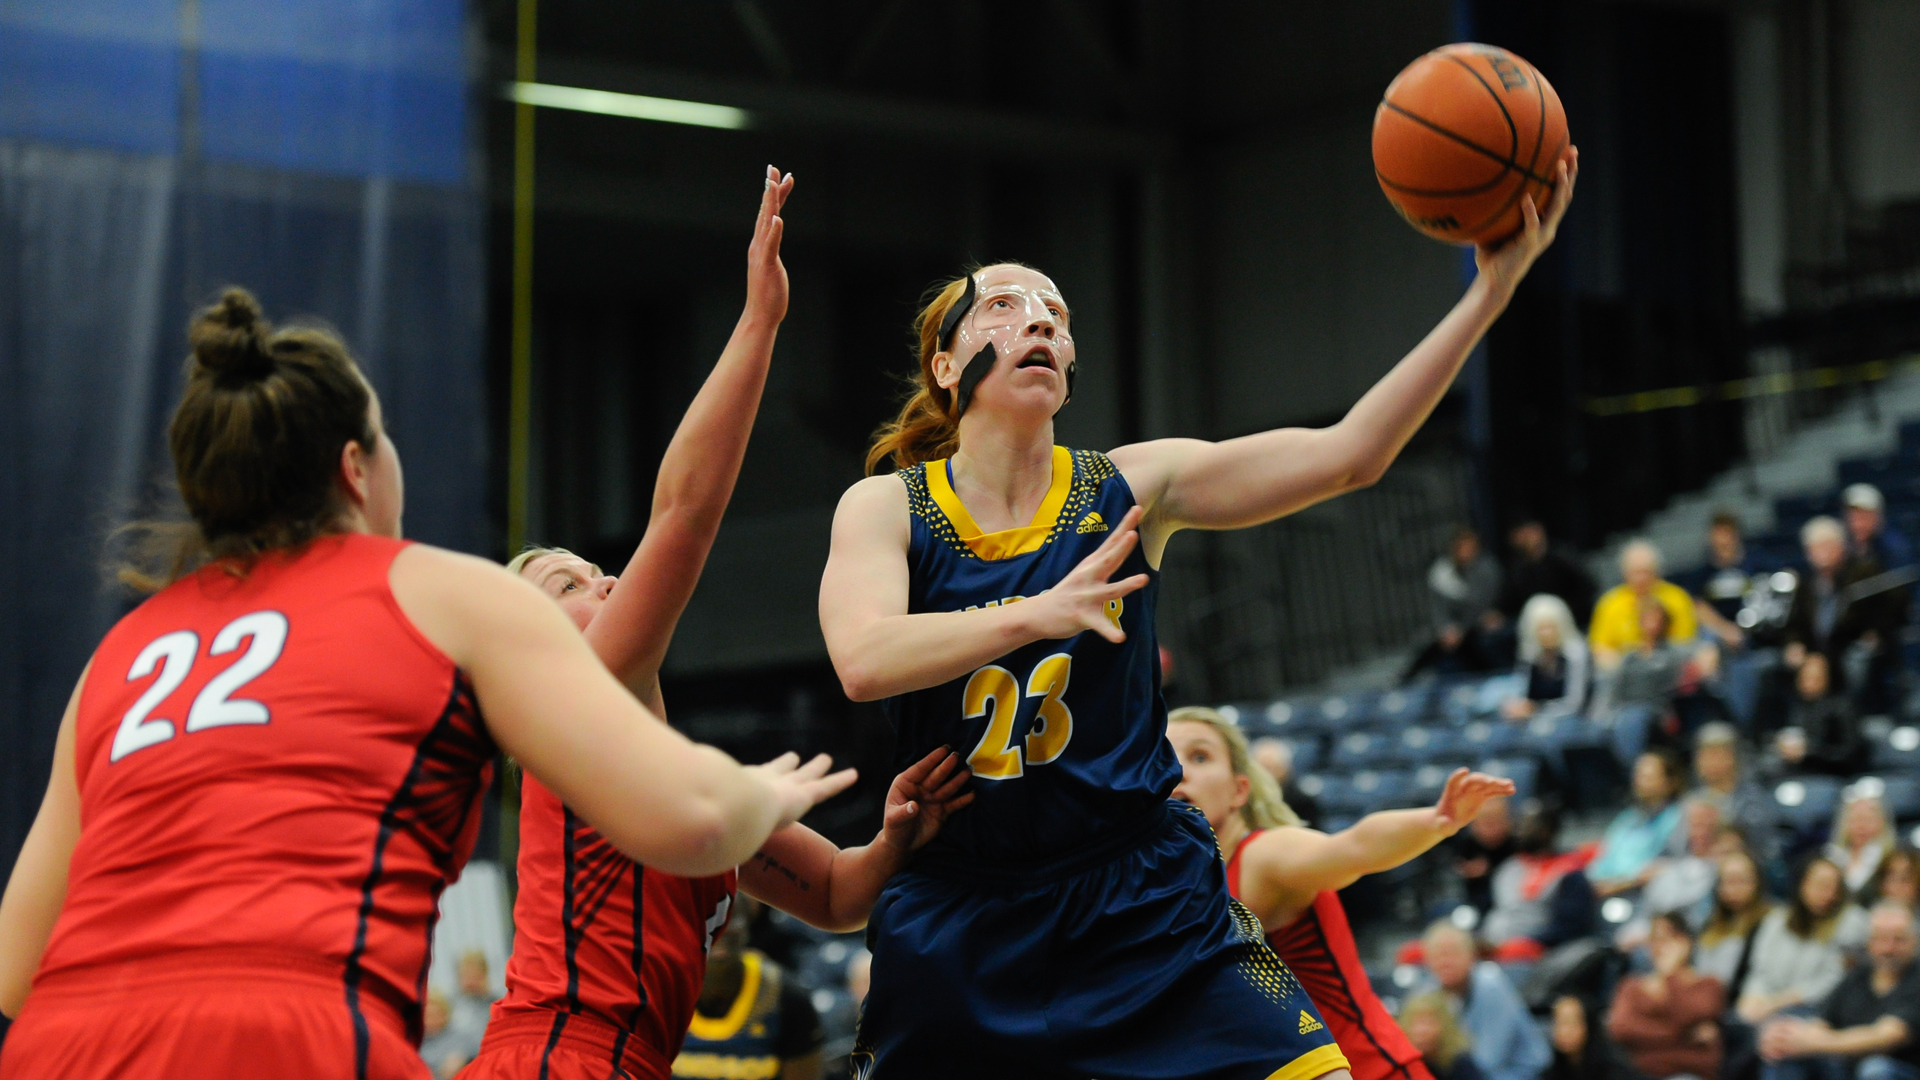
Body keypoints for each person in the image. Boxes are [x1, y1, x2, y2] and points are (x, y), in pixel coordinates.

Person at [815, 147, 1577, 1079]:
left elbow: (1351, 455)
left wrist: (1488, 292)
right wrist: (1036, 613)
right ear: (945, 363)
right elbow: (863, 659)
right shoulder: (888, 506)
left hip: (1141, 893)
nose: (1040, 322)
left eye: (1056, 312)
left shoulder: (1134, 484)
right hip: (961, 908)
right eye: (1006, 306)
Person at [0, 287, 856, 1078]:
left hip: (65, 1046)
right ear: (357, 469)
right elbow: (696, 817)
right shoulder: (436, 589)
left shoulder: (125, 651)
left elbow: (16, 964)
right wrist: (757, 796)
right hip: (296, 1029)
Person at [465, 169, 975, 1080]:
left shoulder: (698, 791)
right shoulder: (579, 705)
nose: (606, 576)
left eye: (594, 566)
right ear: (536, 646)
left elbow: (833, 891)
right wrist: (758, 324)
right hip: (557, 1058)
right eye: (569, 584)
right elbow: (685, 513)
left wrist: (895, 836)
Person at [1167, 707, 1513, 1080]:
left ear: (1239, 790)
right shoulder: (1176, 885)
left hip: (1370, 1071)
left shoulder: (1261, 857)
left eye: (1200, 756)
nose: (1179, 771)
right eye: (1164, 758)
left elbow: (1352, 848)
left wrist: (1434, 821)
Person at [1760, 902, 1920, 1080]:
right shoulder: (1858, 975)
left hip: (1900, 1069)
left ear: (1915, 941)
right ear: (1868, 942)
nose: (1888, 949)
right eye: (1880, 938)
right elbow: (1822, 1021)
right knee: (1785, 1054)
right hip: (1844, 1067)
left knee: (1875, 1069)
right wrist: (1786, 1038)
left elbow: (1887, 1036)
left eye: (1898, 939)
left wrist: (1812, 1043)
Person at [671, 899, 824, 1080]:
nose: (719, 929)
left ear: (750, 920)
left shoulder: (788, 996)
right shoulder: (660, 990)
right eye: (706, 919)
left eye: (730, 917)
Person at [1738, 858, 1871, 1025]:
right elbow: (1759, 971)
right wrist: (1751, 998)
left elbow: (1835, 979)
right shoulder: (1776, 920)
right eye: (1821, 885)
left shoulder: (1851, 922)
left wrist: (1776, 1003)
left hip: (1815, 1011)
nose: (1828, 893)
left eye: (1834, 887)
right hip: (1767, 1003)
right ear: (1802, 884)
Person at [1422, 921, 1554, 1080]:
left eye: (1452, 953)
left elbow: (1489, 1060)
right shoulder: (1428, 992)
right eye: (1438, 955)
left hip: (1519, 1073)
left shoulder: (1490, 983)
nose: (1445, 962)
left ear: (1471, 956)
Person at [1607, 912, 1726, 1079]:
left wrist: (1669, 976)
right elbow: (1621, 1029)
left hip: (1688, 1073)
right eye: (1655, 939)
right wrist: (1682, 1036)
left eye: (1669, 938)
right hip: (1637, 1073)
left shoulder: (1708, 985)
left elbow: (1686, 1015)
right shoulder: (1631, 986)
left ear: (1686, 942)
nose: (1661, 946)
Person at [1479, 800, 1599, 961]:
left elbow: (1569, 929)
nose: (1519, 830)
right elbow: (1486, 909)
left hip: (1538, 955)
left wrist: (1533, 943)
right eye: (1519, 823)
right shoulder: (1508, 867)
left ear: (1548, 830)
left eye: (1529, 824)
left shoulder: (1569, 872)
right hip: (1492, 947)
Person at [1590, 750, 1688, 896]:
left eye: (1649, 777)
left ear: (1670, 782)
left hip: (1648, 893)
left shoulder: (1679, 817)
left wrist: (1626, 883)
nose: (1641, 782)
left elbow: (1669, 864)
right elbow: (1603, 859)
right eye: (1639, 776)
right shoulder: (1626, 819)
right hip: (1607, 891)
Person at [1591, 540, 1701, 671]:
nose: (1641, 578)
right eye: (1636, 572)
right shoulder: (1610, 603)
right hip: (1625, 670)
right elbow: (1599, 647)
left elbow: (1685, 642)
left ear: (1657, 571)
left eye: (1646, 572)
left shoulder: (1676, 597)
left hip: (1669, 666)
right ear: (1624, 573)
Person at [1412, 526, 1507, 675]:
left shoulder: (1488, 569)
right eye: (1461, 547)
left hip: (1479, 625)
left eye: (1469, 547)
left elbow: (1483, 605)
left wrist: (1461, 628)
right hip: (1457, 629)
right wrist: (1445, 628)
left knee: (1486, 639)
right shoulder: (1443, 573)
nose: (1465, 551)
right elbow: (1439, 608)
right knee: (1433, 645)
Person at [1694, 722, 1780, 859]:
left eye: (1713, 754)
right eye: (1702, 755)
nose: (1705, 761)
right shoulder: (1693, 799)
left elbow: (1765, 848)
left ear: (1731, 757)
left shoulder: (1753, 798)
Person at [1697, 850, 1777, 994]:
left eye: (1741, 880)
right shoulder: (1710, 923)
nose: (1735, 888)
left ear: (1757, 882)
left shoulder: (1770, 923)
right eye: (1729, 881)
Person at [1497, 517, 1597, 630]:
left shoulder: (1562, 557)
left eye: (1528, 533)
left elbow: (1588, 588)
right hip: (1533, 621)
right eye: (1519, 534)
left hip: (1571, 616)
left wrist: (1563, 610)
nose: (1525, 538)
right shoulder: (1516, 567)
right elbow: (1509, 601)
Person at [1501, 594, 1590, 721]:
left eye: (1551, 627)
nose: (1546, 633)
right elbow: (1521, 694)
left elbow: (1575, 704)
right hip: (1536, 724)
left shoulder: (1576, 654)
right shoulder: (1529, 657)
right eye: (1541, 628)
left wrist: (1536, 710)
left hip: (1572, 722)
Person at [1780, 653, 1869, 777]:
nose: (1807, 683)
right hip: (1800, 775)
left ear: (1828, 677)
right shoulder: (1796, 707)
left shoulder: (1842, 708)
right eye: (1803, 677)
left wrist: (1809, 752)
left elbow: (1850, 753)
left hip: (1834, 776)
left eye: (1814, 678)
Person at [1677, 512, 1757, 649]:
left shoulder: (1757, 564)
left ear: (1736, 536)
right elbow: (1698, 606)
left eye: (1727, 534)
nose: (1723, 541)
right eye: (1718, 535)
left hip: (1754, 627)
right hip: (1719, 634)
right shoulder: (1702, 573)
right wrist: (1725, 629)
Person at [1452, 797, 1518, 916]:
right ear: (1472, 824)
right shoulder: (1464, 845)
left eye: (1497, 821)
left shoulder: (1520, 847)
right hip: (1472, 905)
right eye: (1486, 822)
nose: (1491, 829)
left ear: (1509, 821)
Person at [1398, 992, 1485, 1080]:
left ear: (1446, 1027)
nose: (1423, 1031)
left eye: (1429, 1022)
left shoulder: (1462, 1066)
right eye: (1417, 1023)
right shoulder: (1399, 1067)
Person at [1829, 793, 1900, 901]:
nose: (1861, 826)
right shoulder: (1831, 855)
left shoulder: (1892, 858)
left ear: (1882, 823)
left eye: (1868, 820)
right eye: (1855, 819)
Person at [1548, 995, 1633, 1080]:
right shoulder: (1552, 1072)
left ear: (1589, 1025)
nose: (1562, 1031)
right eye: (1557, 1022)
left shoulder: (1615, 1072)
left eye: (1569, 1022)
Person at [1252, 735, 1322, 829]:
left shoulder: (1302, 801)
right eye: (1263, 768)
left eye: (1273, 768)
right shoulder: (1247, 800)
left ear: (1285, 769)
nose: (1267, 774)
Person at [1845, 484, 1915, 570]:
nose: (1858, 524)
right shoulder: (1843, 545)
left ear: (1878, 516)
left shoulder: (1894, 548)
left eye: (1864, 517)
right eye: (1854, 517)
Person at [421, 990, 481, 1079]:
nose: (430, 1020)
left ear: (446, 1015)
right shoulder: (412, 1040)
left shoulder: (462, 1038)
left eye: (435, 1015)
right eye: (427, 1015)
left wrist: (465, 1058)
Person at [449, 951, 499, 1047]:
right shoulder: (450, 1004)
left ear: (484, 975)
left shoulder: (496, 1003)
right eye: (465, 975)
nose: (470, 981)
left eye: (474, 975)